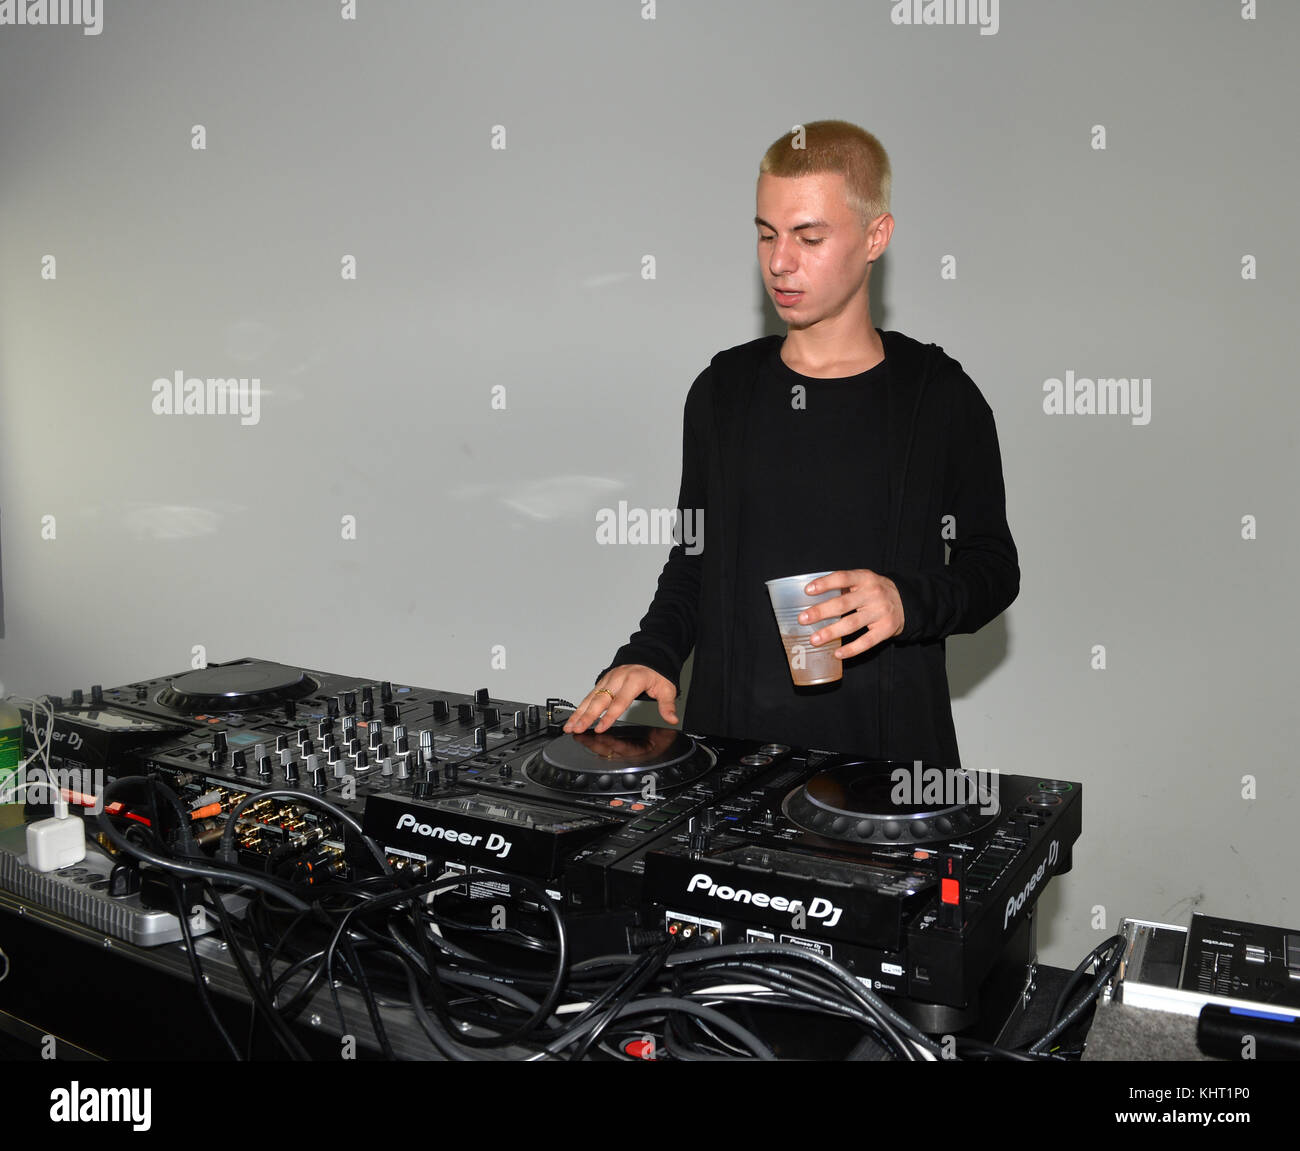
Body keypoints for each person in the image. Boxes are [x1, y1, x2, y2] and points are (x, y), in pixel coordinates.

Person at [563, 121, 1018, 767]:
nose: (780, 260)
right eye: (767, 234)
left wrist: (906, 601)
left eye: (809, 236)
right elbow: (695, 558)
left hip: (885, 771)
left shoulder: (938, 396)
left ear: (875, 237)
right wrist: (652, 652)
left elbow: (991, 568)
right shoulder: (723, 389)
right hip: (727, 760)